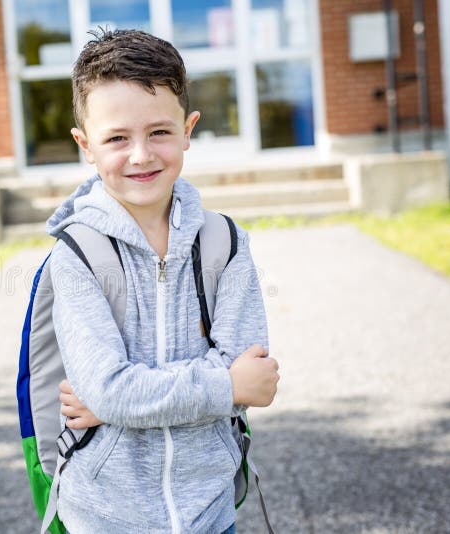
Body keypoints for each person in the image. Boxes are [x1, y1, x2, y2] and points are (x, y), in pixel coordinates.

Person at [45, 28, 279, 534]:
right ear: (85, 145)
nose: (141, 155)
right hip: (106, 517)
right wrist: (218, 383)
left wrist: (122, 402)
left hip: (210, 514)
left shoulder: (225, 242)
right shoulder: (78, 256)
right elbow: (114, 392)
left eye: (159, 132)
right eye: (116, 139)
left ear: (188, 128)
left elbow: (251, 381)